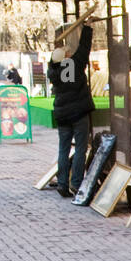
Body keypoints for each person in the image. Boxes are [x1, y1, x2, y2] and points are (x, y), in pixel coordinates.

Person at [48, 22, 95, 200]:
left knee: (63, 149)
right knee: (81, 148)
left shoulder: (52, 72)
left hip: (62, 114)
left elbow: (53, 61)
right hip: (79, 112)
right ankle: (75, 183)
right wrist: (87, 29)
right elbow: (84, 47)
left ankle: (62, 183)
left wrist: (56, 49)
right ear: (67, 55)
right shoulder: (76, 63)